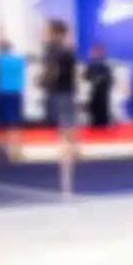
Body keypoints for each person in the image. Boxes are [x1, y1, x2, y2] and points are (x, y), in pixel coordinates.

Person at [40, 19, 78, 160]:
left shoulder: (54, 50)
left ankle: (67, 150)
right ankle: (72, 148)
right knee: (68, 120)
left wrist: (45, 81)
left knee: (64, 121)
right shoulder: (67, 49)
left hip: (59, 89)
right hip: (66, 88)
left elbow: (53, 71)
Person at [0, 39, 26, 160]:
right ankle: (17, 150)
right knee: (15, 122)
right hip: (17, 92)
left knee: (4, 124)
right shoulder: (19, 60)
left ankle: (5, 149)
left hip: (2, 92)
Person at [84, 43, 113, 128]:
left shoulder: (103, 66)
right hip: (94, 97)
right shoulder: (91, 66)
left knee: (100, 115)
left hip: (101, 97)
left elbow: (109, 80)